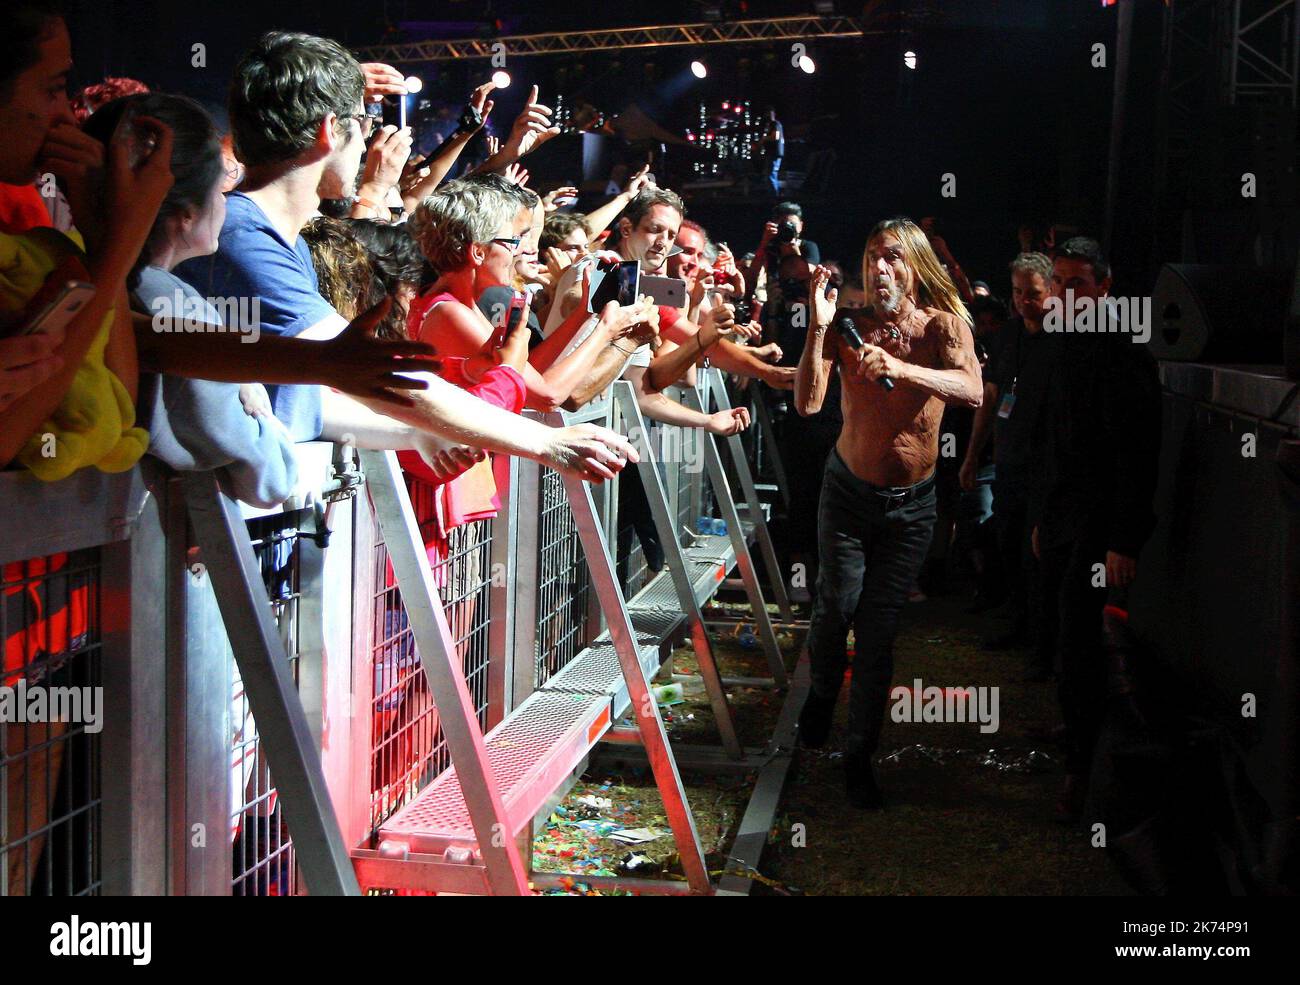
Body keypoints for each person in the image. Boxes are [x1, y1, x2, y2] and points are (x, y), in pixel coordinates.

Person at [174, 31, 635, 484]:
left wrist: (413, 432)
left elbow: (306, 399)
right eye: (364, 122)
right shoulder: (243, 235)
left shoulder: (278, 238)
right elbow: (365, 369)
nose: (369, 142)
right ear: (331, 131)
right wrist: (544, 443)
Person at [794, 217, 982, 809]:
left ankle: (858, 757)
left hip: (913, 508)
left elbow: (973, 390)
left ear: (914, 266)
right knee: (835, 606)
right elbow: (807, 402)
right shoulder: (850, 328)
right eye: (873, 255)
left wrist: (900, 368)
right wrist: (817, 332)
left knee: (878, 634)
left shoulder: (942, 326)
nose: (880, 268)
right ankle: (823, 690)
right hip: (848, 493)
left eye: (893, 257)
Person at [1028, 237, 1161, 822]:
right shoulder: (1060, 347)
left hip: (1101, 522)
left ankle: (1083, 772)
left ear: (1105, 288)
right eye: (1058, 282)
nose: (1064, 293)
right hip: (1063, 517)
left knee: (1083, 640)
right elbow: (1054, 442)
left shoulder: (1125, 352)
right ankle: (1080, 737)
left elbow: (1138, 451)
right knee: (1066, 635)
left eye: (1077, 282)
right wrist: (1042, 518)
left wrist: (1122, 540)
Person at [961, 255, 1054, 660]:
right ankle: (1020, 625)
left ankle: (1045, 640)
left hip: (1048, 467)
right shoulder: (1008, 336)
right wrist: (971, 456)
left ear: (1052, 292)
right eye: (1017, 293)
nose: (1023, 302)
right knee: (1010, 544)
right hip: (1008, 462)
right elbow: (991, 396)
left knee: (1041, 554)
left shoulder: (1065, 341)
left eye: (1032, 294)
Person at [760, 107, 784, 197]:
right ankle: (774, 195)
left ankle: (774, 197)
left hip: (773, 153)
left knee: (770, 175)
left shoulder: (774, 124)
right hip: (773, 153)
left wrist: (763, 139)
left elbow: (775, 137)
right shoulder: (774, 124)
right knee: (771, 174)